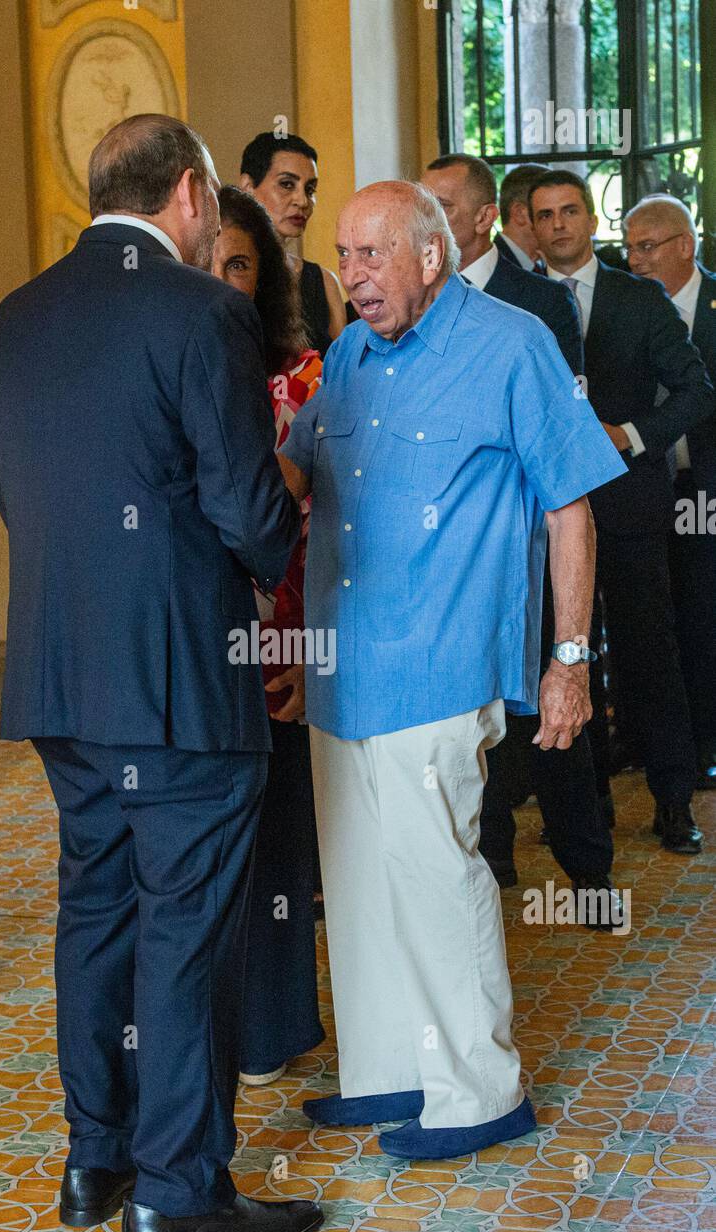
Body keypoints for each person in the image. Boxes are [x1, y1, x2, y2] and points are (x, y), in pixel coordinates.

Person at [0, 114, 321, 1232]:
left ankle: (97, 1158)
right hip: (180, 675)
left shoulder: (15, 318)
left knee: (97, 910)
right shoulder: (202, 311)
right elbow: (246, 508)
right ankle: (177, 1191)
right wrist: (283, 539)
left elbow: (19, 496)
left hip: (59, 674)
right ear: (187, 193)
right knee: (185, 927)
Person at [278, 181, 627, 1160]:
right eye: (343, 256)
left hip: (438, 663)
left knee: (436, 874)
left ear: (430, 256)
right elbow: (293, 474)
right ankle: (390, 1070)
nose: (351, 276)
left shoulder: (512, 345)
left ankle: (477, 1089)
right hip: (342, 666)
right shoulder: (350, 353)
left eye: (371, 255)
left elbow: (569, 507)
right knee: (361, 880)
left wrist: (568, 660)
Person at [421, 155, 621, 929]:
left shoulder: (539, 303)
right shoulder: (413, 299)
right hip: (452, 553)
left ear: (481, 218)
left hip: (531, 544)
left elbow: (558, 434)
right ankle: (494, 856)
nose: (426, 218)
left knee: (552, 717)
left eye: (441, 205)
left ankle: (588, 872)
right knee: (473, 714)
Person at [530, 170, 714, 852]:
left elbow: (696, 391)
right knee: (565, 658)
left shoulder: (638, 298)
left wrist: (631, 435)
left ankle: (673, 801)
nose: (558, 224)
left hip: (630, 504)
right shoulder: (517, 303)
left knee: (648, 654)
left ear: (589, 219)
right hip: (547, 515)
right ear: (531, 226)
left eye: (569, 210)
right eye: (544, 214)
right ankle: (584, 808)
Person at [211, 184, 325, 1087]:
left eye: (239, 264)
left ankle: (271, 1026)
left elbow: (335, 524)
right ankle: (208, 1028)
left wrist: (305, 647)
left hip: (283, 640)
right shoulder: (156, 364)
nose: (221, 279)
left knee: (280, 842)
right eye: (206, 260)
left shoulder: (306, 380)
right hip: (190, 644)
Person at [623, 194, 716, 789]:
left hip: (706, 491)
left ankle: (705, 741)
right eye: (628, 247)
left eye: (646, 247)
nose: (634, 260)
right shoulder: (631, 308)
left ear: (684, 245)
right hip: (647, 492)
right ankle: (649, 739)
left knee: (705, 614)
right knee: (656, 619)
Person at [239, 131, 347, 356]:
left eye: (310, 189)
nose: (302, 201)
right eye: (287, 184)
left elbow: (340, 370)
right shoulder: (219, 270)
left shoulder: (324, 282)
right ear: (248, 187)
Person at [494, 162, 551, 273]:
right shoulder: (492, 268)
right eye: (547, 214)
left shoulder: (543, 267)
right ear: (520, 214)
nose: (559, 224)